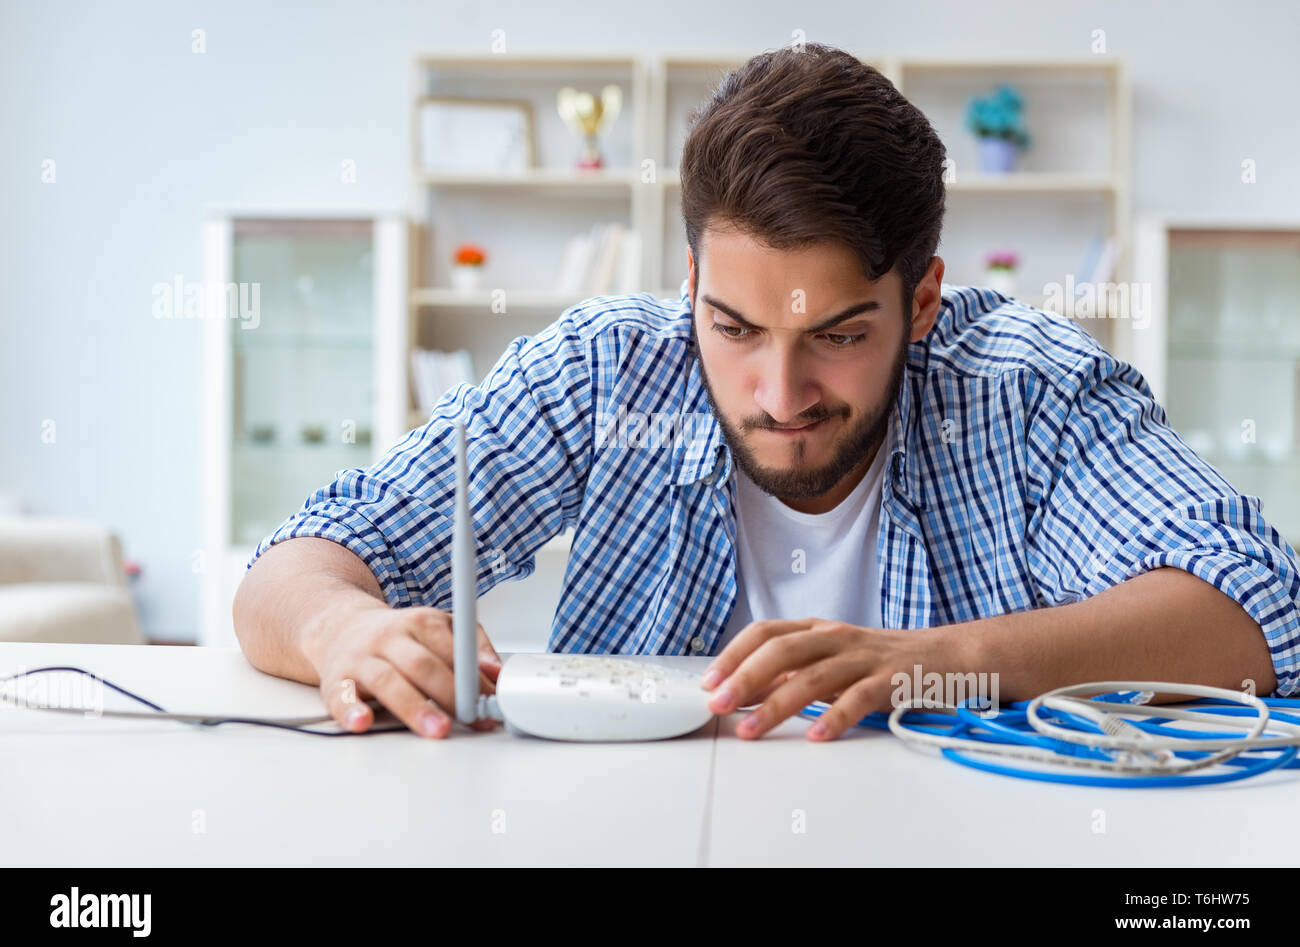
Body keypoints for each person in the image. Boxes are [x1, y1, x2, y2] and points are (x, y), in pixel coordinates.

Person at [233, 43, 1299, 742]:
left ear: (923, 299)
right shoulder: (609, 369)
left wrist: (946, 664)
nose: (778, 393)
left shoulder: (1028, 392)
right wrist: (337, 632)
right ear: (690, 283)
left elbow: (1257, 608)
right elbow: (297, 563)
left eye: (836, 335)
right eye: (734, 329)